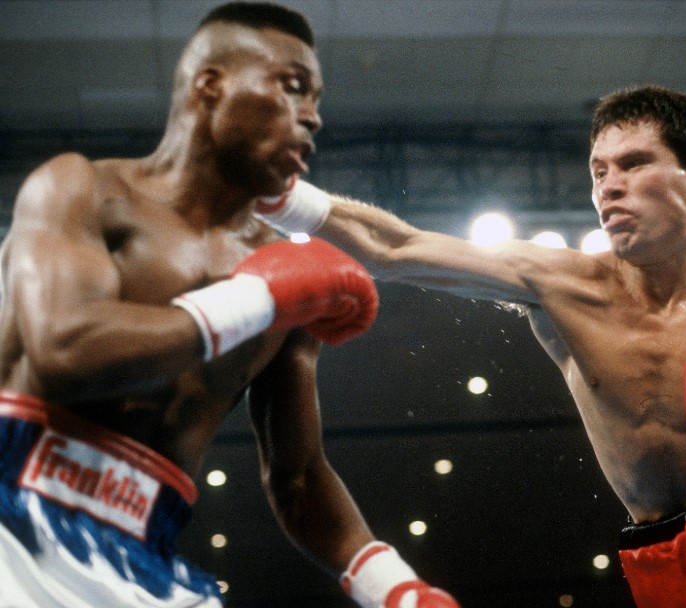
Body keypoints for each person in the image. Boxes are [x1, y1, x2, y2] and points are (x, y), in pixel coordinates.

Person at [256, 85, 686, 607]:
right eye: (599, 171)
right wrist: (278, 195)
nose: (608, 186)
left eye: (634, 163)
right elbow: (396, 247)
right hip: (656, 558)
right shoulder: (564, 285)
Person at [0, 2, 459, 608]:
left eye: (316, 100)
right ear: (210, 84)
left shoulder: (285, 275)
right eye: (292, 87)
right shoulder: (83, 189)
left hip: (143, 556)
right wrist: (256, 300)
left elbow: (298, 480)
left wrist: (396, 589)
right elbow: (65, 347)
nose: (313, 118)